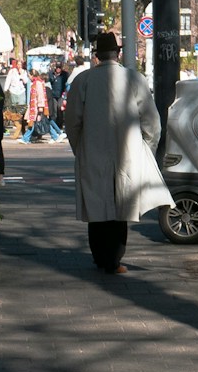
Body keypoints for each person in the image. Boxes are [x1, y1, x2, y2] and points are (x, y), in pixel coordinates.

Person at [62, 32, 171, 275]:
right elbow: (152, 123)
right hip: (127, 153)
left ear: (97, 55)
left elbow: (72, 122)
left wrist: (79, 148)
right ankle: (114, 259)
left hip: (93, 151)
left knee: (97, 206)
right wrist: (147, 149)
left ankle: (101, 257)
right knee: (120, 208)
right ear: (118, 53)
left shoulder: (83, 81)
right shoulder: (134, 79)